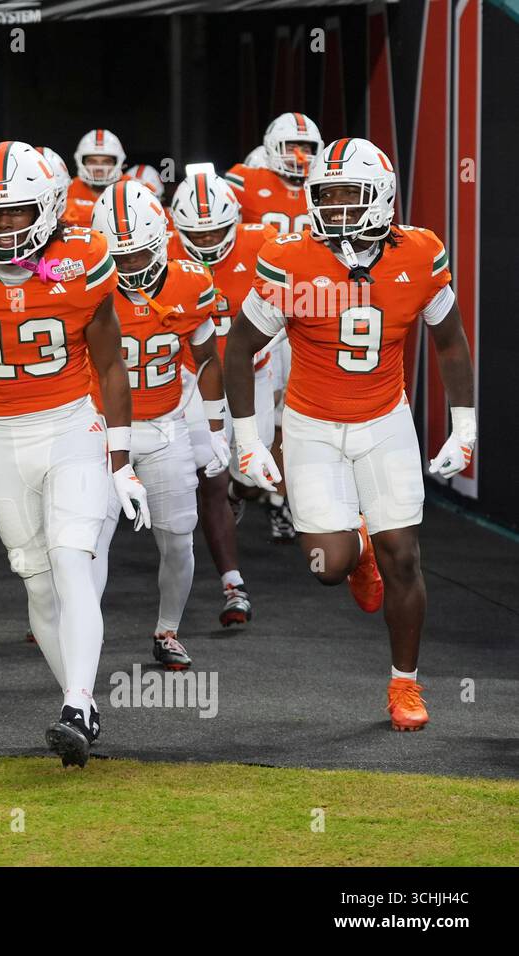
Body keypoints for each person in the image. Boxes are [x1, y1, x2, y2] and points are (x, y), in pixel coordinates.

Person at [225, 137, 476, 732]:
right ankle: (357, 548)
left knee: (406, 559)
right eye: (325, 196)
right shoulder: (292, 258)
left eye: (348, 196)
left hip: (385, 420)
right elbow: (239, 347)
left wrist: (464, 426)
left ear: (383, 197)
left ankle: (405, 685)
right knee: (327, 565)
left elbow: (450, 341)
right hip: (311, 425)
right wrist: (247, 438)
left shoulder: (418, 253)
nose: (334, 209)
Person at [0, 140, 145, 767]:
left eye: (16, 212)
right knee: (38, 588)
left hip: (73, 423)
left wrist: (121, 462)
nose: (1, 224)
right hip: (2, 436)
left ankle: (76, 703)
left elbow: (110, 365)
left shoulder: (81, 259)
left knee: (71, 558)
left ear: (47, 208)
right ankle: (82, 705)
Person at [91, 179, 228, 671]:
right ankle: (80, 628)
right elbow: (31, 269)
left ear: (162, 241)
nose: (128, 266)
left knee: (177, 539)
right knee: (88, 543)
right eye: (118, 257)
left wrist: (215, 427)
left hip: (167, 425)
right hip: (99, 431)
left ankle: (167, 629)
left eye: (138, 255)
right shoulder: (79, 279)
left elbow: (208, 358)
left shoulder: (190, 282)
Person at [167, 168, 278, 626]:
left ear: (235, 220)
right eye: (196, 231)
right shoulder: (163, 249)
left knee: (253, 480)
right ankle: (232, 583)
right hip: (195, 377)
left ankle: (238, 490)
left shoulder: (263, 242)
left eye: (215, 229)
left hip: (254, 372)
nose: (208, 239)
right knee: (208, 477)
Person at [224, 112, 325, 541]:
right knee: (254, 401)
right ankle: (236, 481)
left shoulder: (326, 186)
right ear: (269, 148)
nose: (300, 159)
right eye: (291, 148)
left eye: (308, 150)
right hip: (262, 309)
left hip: (310, 309)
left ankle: (281, 498)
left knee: (292, 413)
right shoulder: (245, 180)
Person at [63, 129, 131, 225]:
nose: (99, 168)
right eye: (92, 161)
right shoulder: (67, 190)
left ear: (118, 162)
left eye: (106, 162)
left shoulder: (134, 189)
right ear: (81, 162)